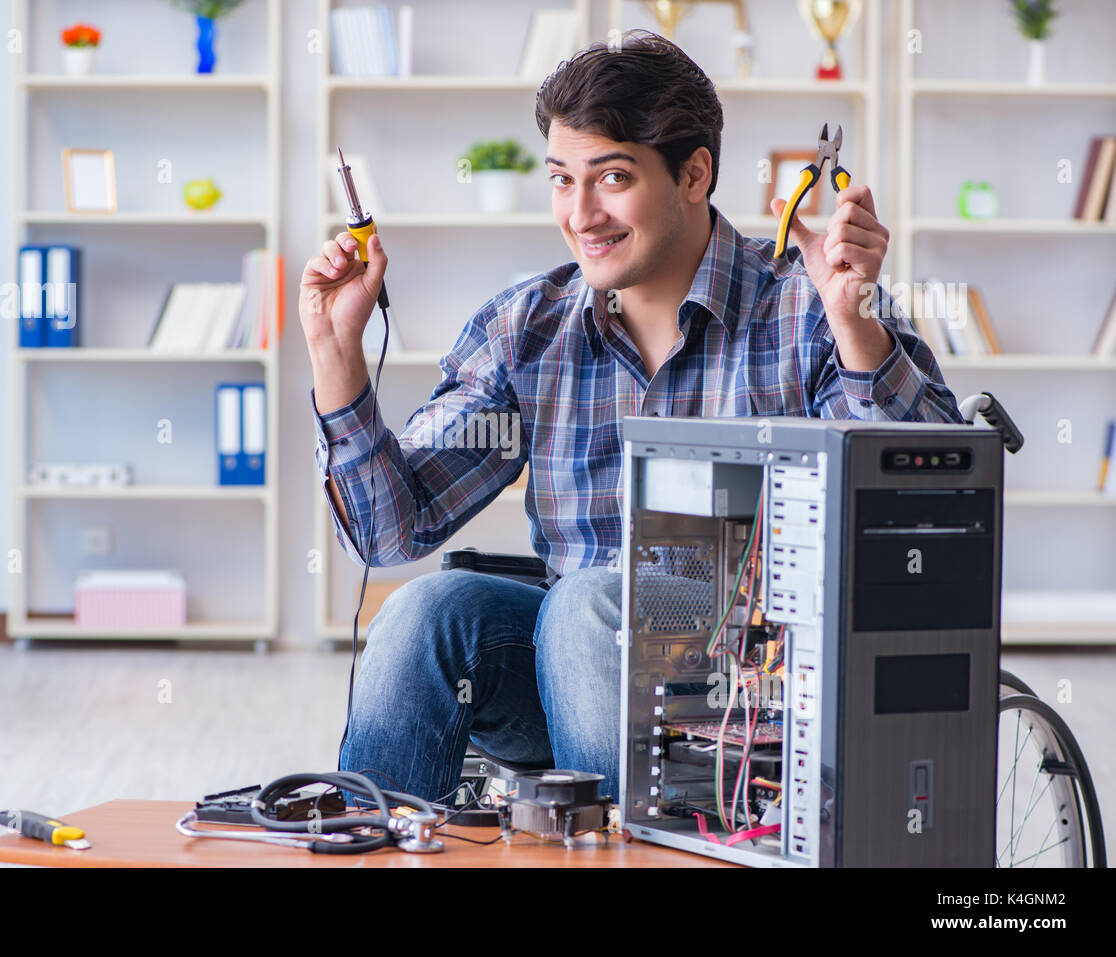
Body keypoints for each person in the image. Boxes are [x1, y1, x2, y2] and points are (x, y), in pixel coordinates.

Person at [298, 30, 962, 805]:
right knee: (426, 611)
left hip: (756, 697)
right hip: (567, 682)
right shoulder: (526, 331)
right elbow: (387, 531)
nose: (581, 214)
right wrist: (336, 351)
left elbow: (935, 497)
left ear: (694, 173)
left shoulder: (807, 306)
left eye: (611, 177)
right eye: (561, 180)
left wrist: (855, 327)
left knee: (585, 603)